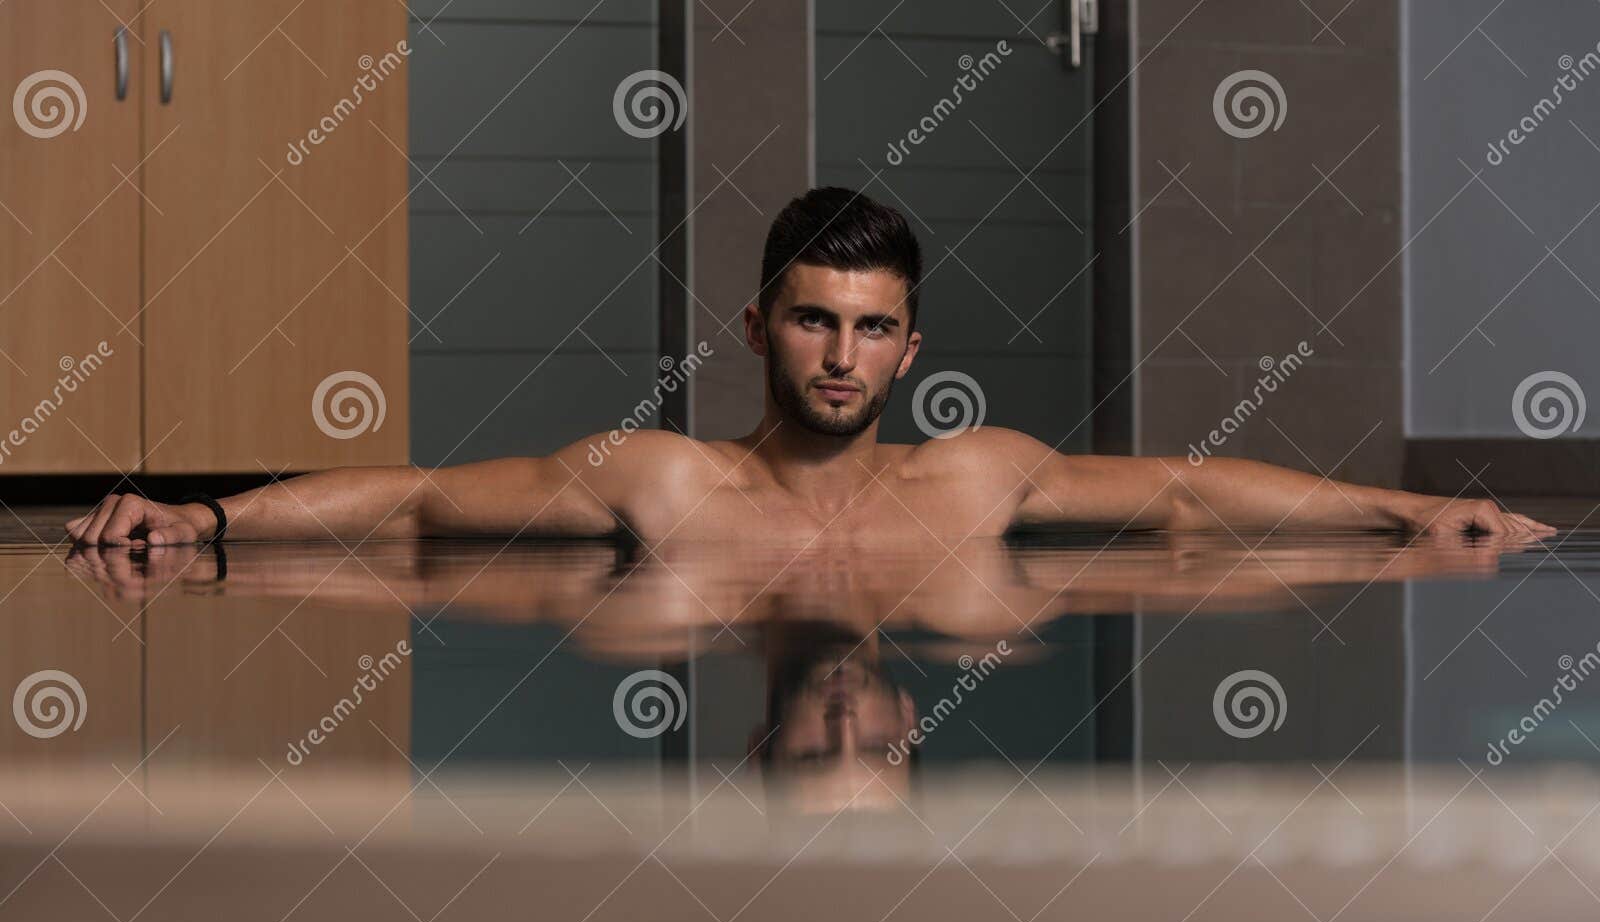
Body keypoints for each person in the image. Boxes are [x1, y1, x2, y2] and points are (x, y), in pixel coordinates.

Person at [65, 187, 1555, 548]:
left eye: (870, 327)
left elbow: (1181, 487)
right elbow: (421, 502)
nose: (841, 355)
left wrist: (1408, 515)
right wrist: (205, 523)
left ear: (913, 348)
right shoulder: (661, 480)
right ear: (758, 326)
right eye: (811, 319)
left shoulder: (974, 480)